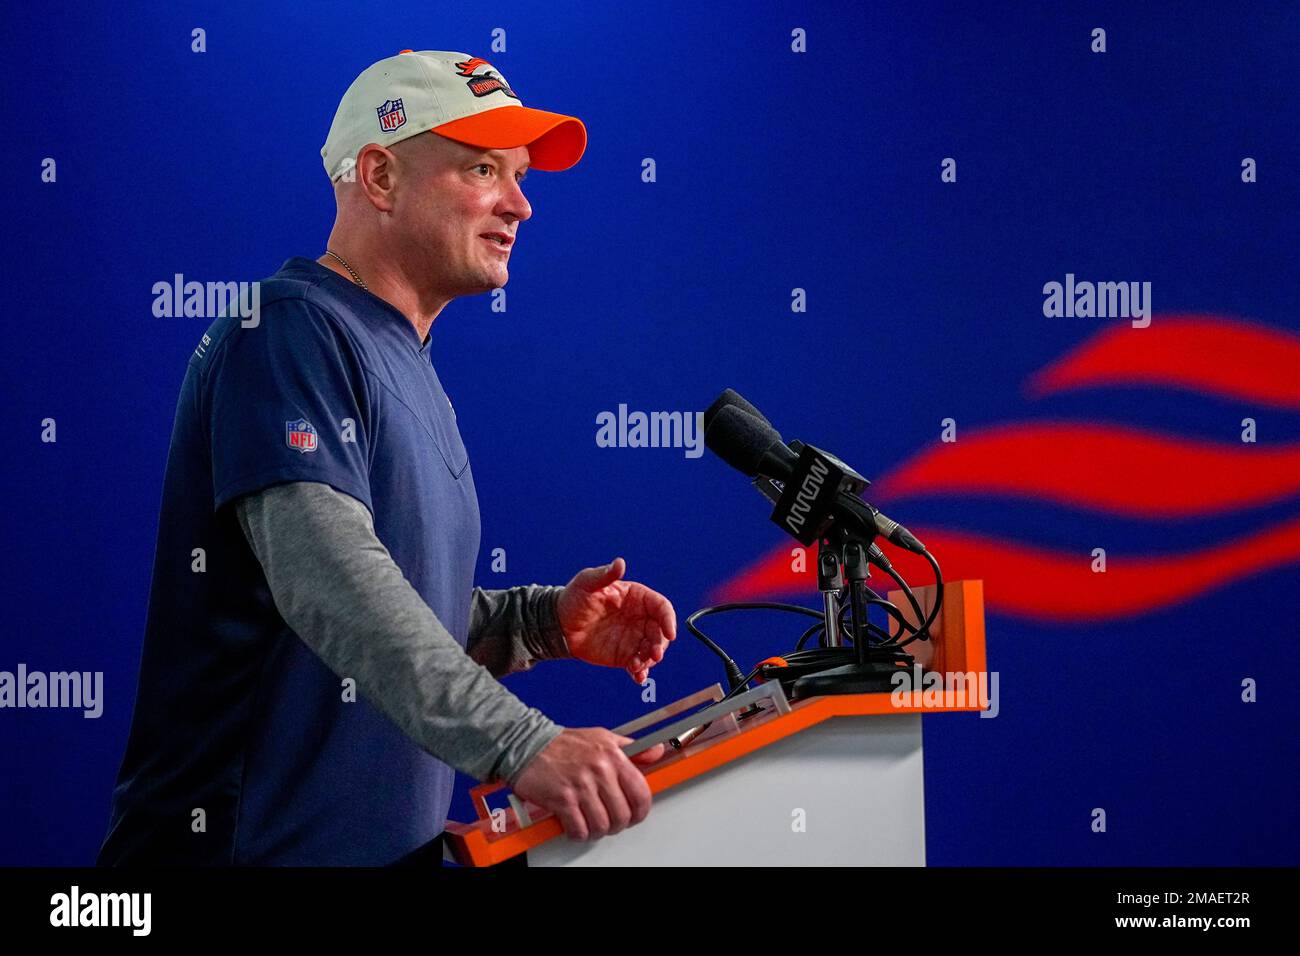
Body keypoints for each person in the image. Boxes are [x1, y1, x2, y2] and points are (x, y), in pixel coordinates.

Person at [97, 49, 676, 866]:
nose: (521, 204)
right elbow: (328, 581)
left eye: (519, 174)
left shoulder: (400, 357)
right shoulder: (287, 330)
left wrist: (539, 622)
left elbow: (370, 614)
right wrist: (523, 744)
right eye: (482, 168)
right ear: (378, 177)